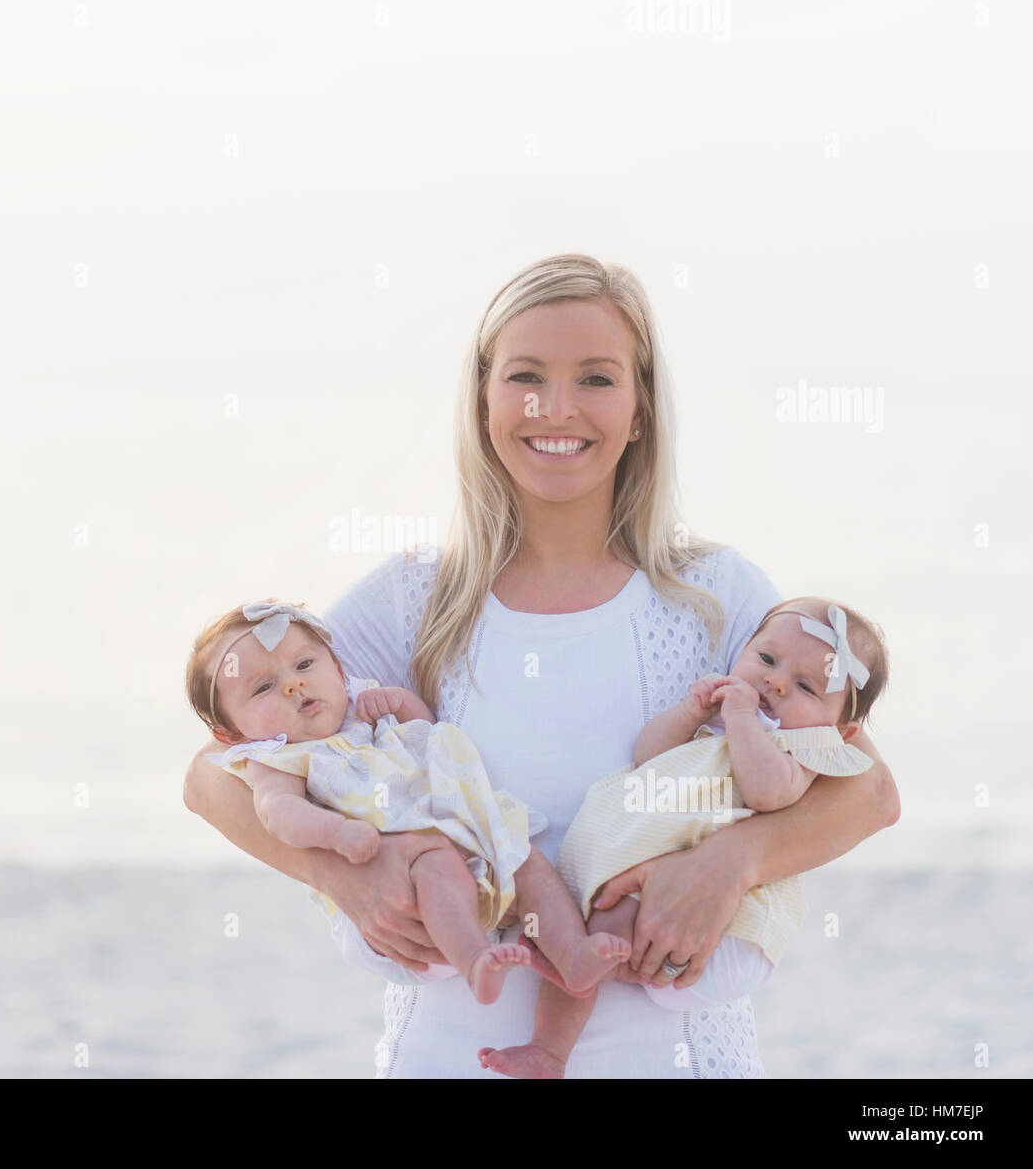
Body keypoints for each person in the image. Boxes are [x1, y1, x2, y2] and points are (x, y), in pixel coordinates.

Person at [183, 253, 900, 1077]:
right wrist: (341, 873)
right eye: (526, 376)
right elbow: (209, 777)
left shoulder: (718, 597)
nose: (555, 409)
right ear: (484, 398)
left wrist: (732, 863)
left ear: (640, 410)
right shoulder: (409, 601)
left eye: (596, 378)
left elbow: (869, 791)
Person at [477, 596, 889, 1078]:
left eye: (805, 686)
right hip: (652, 876)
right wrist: (690, 715)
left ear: (843, 729)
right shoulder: (720, 721)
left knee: (604, 929)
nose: (775, 682)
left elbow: (768, 792)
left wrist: (739, 720)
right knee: (584, 924)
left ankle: (560, 1010)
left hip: (722, 931)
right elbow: (648, 755)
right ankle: (548, 1047)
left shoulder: (802, 749)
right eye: (767, 659)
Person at [184, 600, 630, 1005]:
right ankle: (475, 961)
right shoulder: (275, 757)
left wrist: (404, 703)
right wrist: (336, 835)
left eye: (304, 664)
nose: (293, 684)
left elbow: (430, 741)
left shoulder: (365, 713)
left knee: (525, 854)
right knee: (435, 863)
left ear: (338, 669)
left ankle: (572, 952)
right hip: (401, 885)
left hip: (464, 840)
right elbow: (278, 814)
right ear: (230, 733)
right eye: (263, 687)